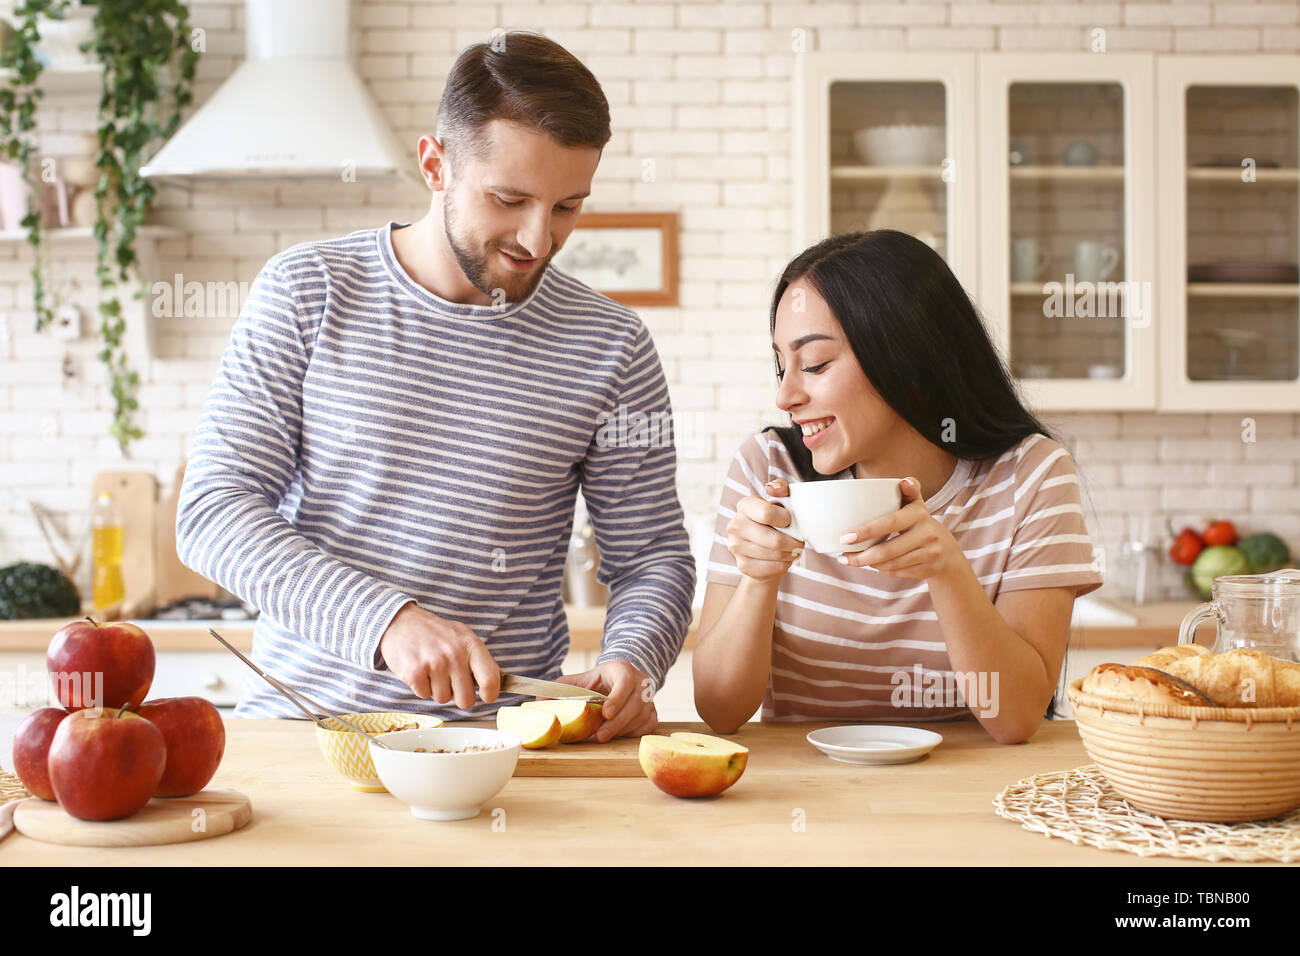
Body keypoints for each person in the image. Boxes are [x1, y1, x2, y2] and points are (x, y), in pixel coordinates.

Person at [175, 33, 694, 741]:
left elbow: (652, 556)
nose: (538, 240)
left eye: (568, 206)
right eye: (509, 199)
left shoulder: (611, 344)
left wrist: (636, 657)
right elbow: (212, 511)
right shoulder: (308, 291)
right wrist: (386, 619)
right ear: (434, 165)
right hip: (305, 740)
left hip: (506, 754)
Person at [693, 230, 1102, 744]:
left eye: (815, 364)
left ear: (905, 356)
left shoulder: (1030, 476)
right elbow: (719, 710)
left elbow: (1017, 717)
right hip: (803, 797)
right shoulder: (769, 469)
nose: (785, 395)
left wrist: (948, 571)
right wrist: (758, 577)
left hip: (970, 799)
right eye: (782, 365)